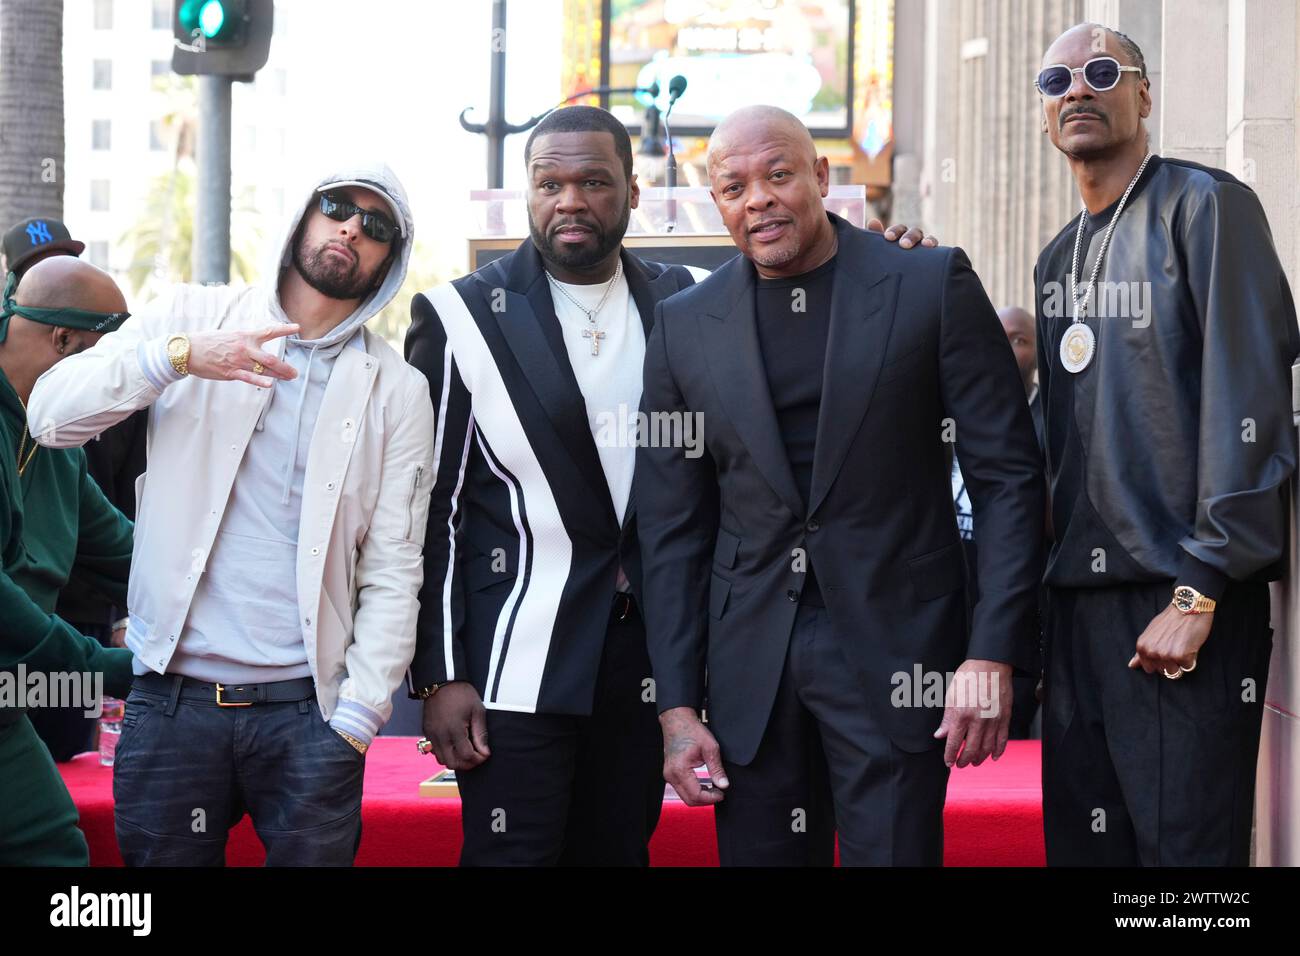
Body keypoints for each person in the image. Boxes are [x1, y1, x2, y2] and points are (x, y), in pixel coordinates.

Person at [406, 105, 933, 866]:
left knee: (621, 852)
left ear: (633, 191)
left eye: (594, 182)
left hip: (650, 661)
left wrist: (892, 252)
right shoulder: (458, 315)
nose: (570, 201)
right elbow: (438, 512)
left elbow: (822, 287)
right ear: (527, 192)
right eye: (549, 184)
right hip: (513, 662)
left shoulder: (694, 301)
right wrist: (441, 676)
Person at [636, 105, 1045, 865]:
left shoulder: (929, 282)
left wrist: (992, 653)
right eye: (733, 187)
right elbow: (670, 530)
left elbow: (1009, 481)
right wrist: (678, 706)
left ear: (822, 177)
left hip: (900, 652)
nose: (758, 199)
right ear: (716, 203)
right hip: (749, 670)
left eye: (778, 174)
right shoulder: (683, 324)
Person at [28, 164, 435, 866]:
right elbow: (50, 416)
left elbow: (395, 565)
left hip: (310, 714)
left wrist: (359, 716)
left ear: (389, 261)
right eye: (337, 206)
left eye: (376, 226)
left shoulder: (396, 389)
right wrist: (180, 357)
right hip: (171, 702)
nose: (350, 229)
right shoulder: (191, 315)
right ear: (304, 212)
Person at [1033, 24, 1299, 865]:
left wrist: (1201, 590)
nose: (1078, 90)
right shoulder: (1056, 259)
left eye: (1101, 71)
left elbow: (1250, 399)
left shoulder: (1206, 205)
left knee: (1185, 870)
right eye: (1057, 81)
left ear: (1143, 94)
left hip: (1181, 601)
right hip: (1078, 615)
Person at [0, 256, 135, 865]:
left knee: (50, 847)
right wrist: (107, 668)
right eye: (108, 360)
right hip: (19, 673)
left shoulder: (55, 436)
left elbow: (126, 553)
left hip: (9, 698)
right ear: (62, 341)